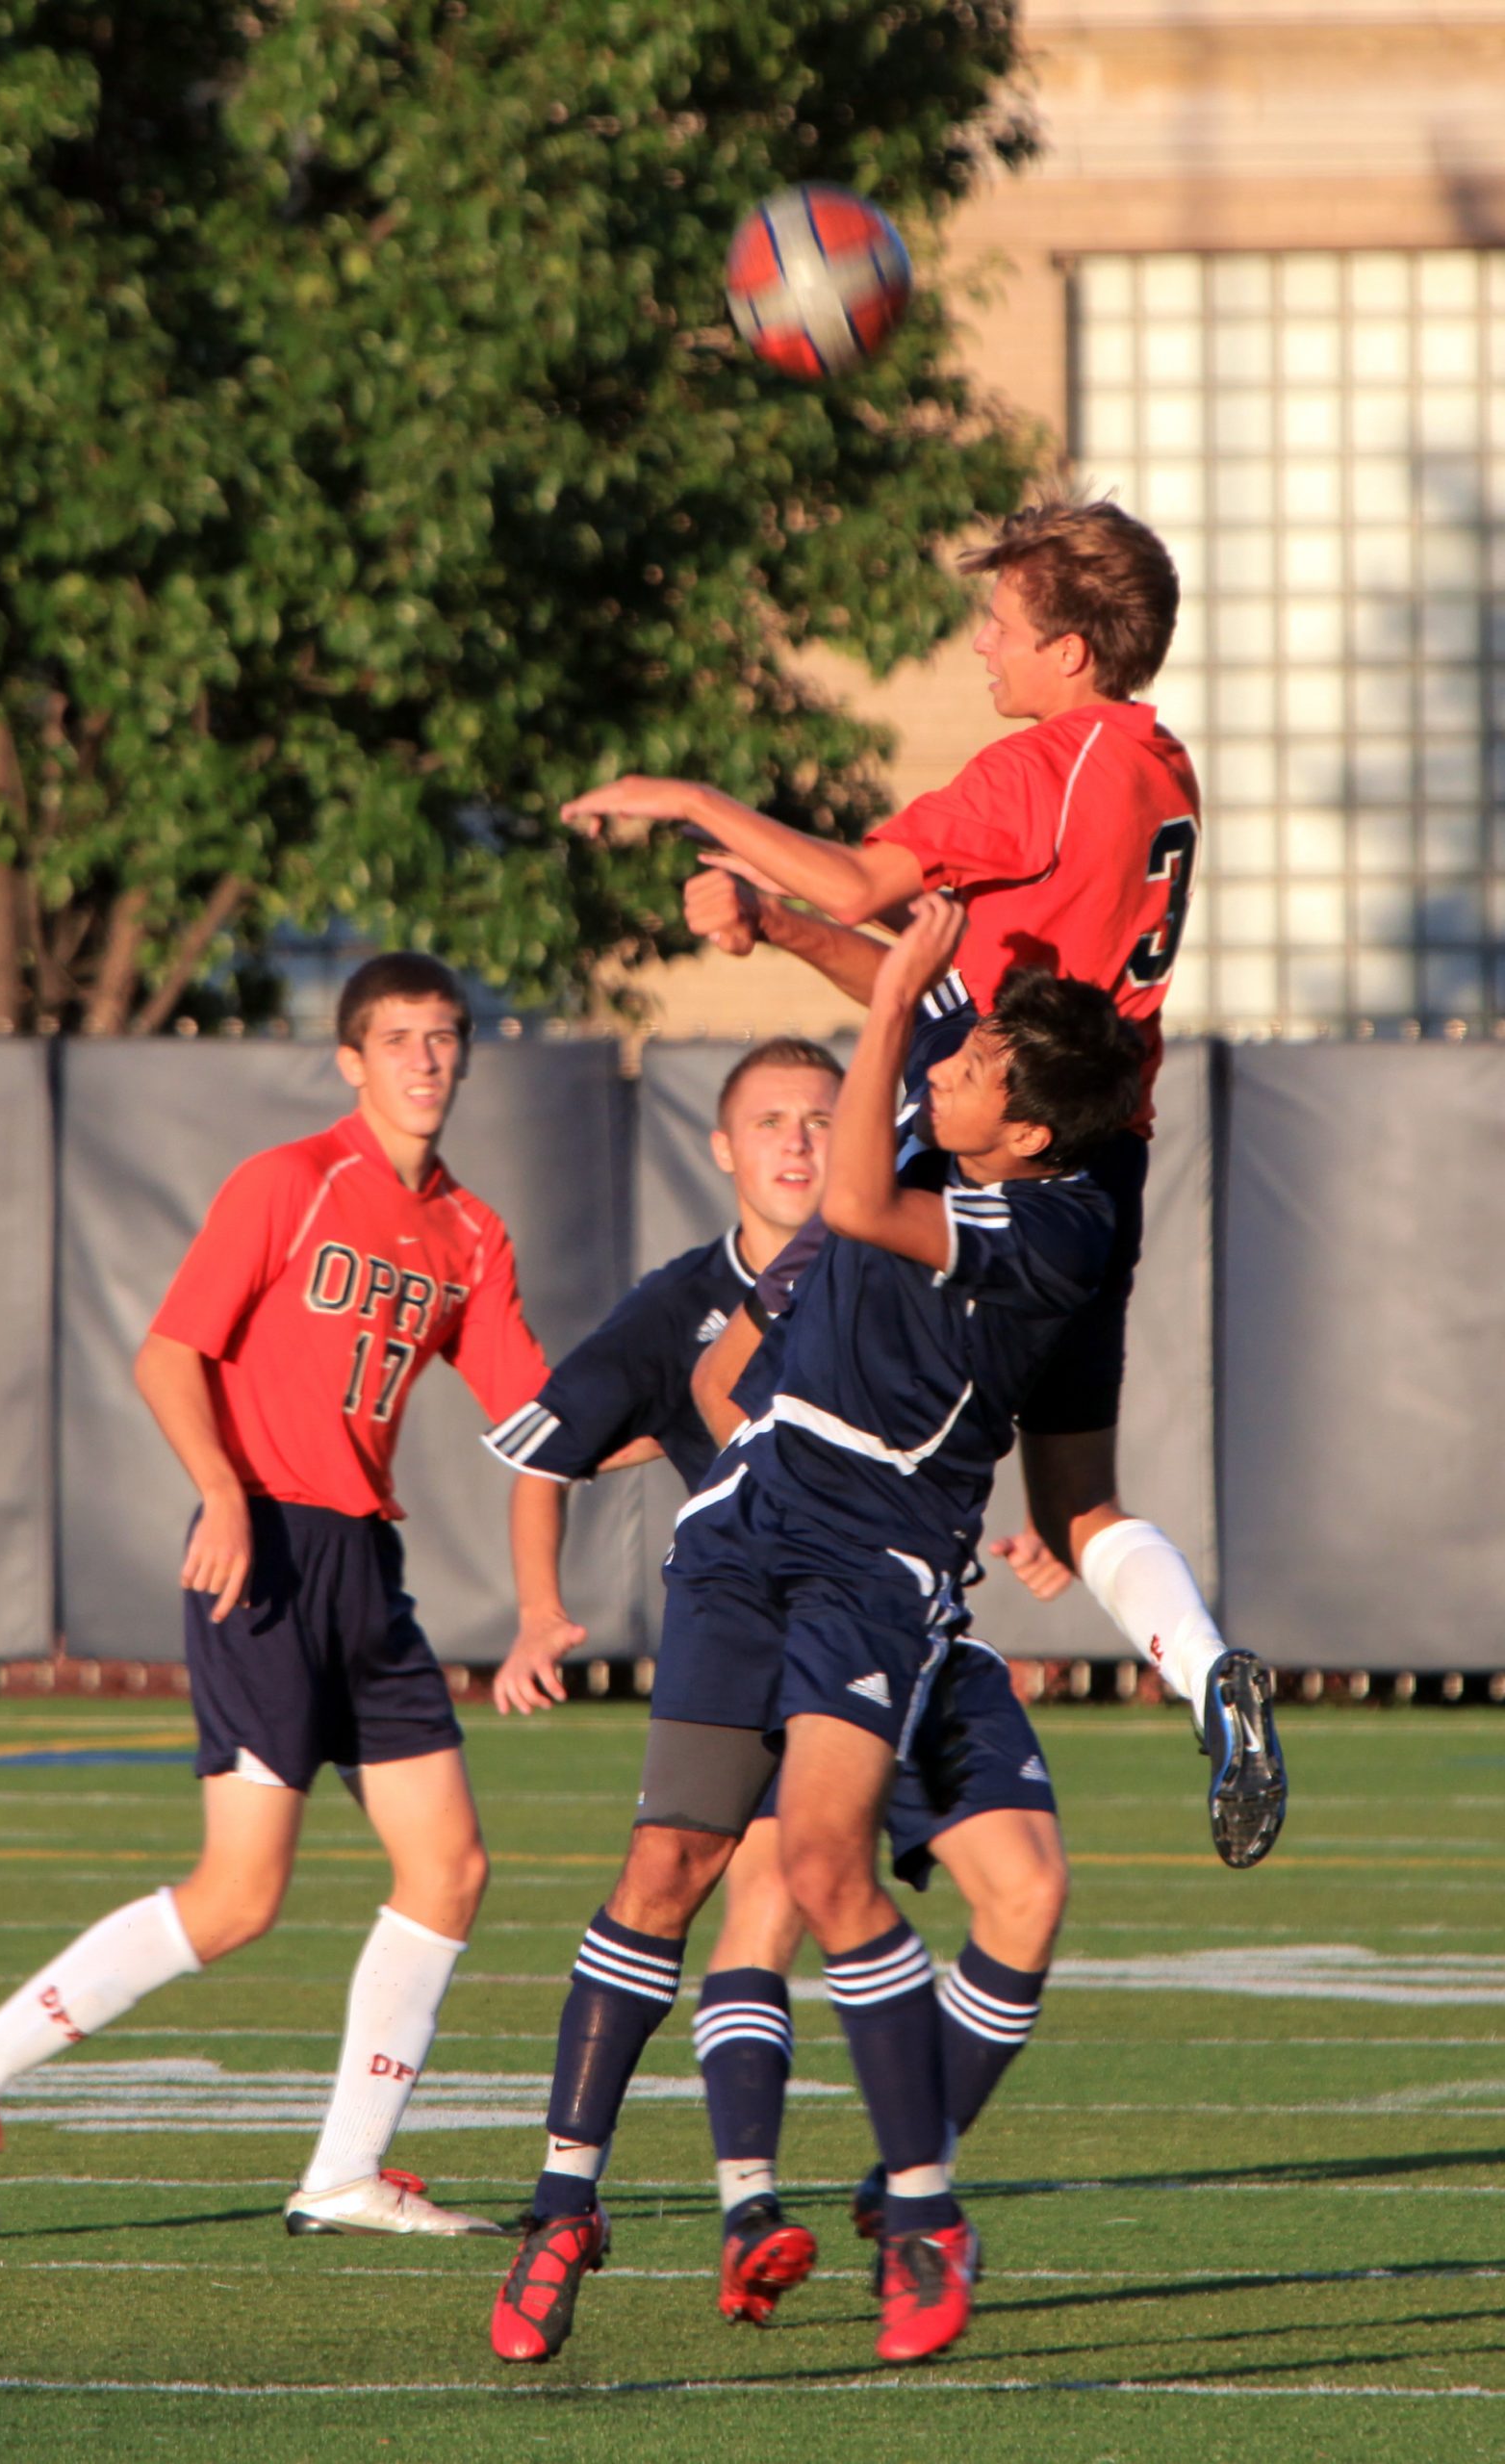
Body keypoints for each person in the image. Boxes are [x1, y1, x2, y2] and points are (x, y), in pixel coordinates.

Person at [566, 497, 1286, 1874]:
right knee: (1072, 1502)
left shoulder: (1047, 767)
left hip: (974, 1153)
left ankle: (817, 1682)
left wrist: (693, 803)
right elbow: (936, 987)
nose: (981, 647)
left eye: (1002, 625)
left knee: (736, 1376)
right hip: (1093, 1167)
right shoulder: (1161, 763)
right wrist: (774, 924)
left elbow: (861, 887)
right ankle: (1206, 1677)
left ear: (1073, 652)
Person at [489, 895, 1147, 2369]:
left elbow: (854, 1201)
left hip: (878, 1560)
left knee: (830, 1864)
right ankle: (562, 2208)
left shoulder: (1060, 1222)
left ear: (1028, 1130)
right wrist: (771, 910)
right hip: (745, 1533)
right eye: (950, 1054)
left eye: (969, 1071)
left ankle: (920, 2214)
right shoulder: (951, 1107)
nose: (942, 1073)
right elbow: (878, 972)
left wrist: (895, 1006)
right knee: (663, 1866)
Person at [0, 954, 549, 2242]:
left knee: (450, 1867)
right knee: (241, 1894)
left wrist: (702, 1405)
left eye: (444, 1036)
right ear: (351, 1061)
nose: (425, 1059)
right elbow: (166, 1355)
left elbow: (535, 1417)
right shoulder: (291, 1182)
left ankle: (345, 2173)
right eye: (398, 1038)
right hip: (262, 1555)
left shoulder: (471, 1233)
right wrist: (224, 1492)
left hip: (366, 1570)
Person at [484, 1037, 844, 2325]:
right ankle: (562, 2204)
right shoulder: (680, 1300)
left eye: (822, 1118)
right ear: (723, 1148)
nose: (798, 1141)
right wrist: (539, 1612)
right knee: (663, 1876)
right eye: (773, 1120)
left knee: (781, 1893)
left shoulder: (897, 1266)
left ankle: (749, 2209)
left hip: (862, 1627)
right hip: (738, 1618)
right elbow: (546, 1447)